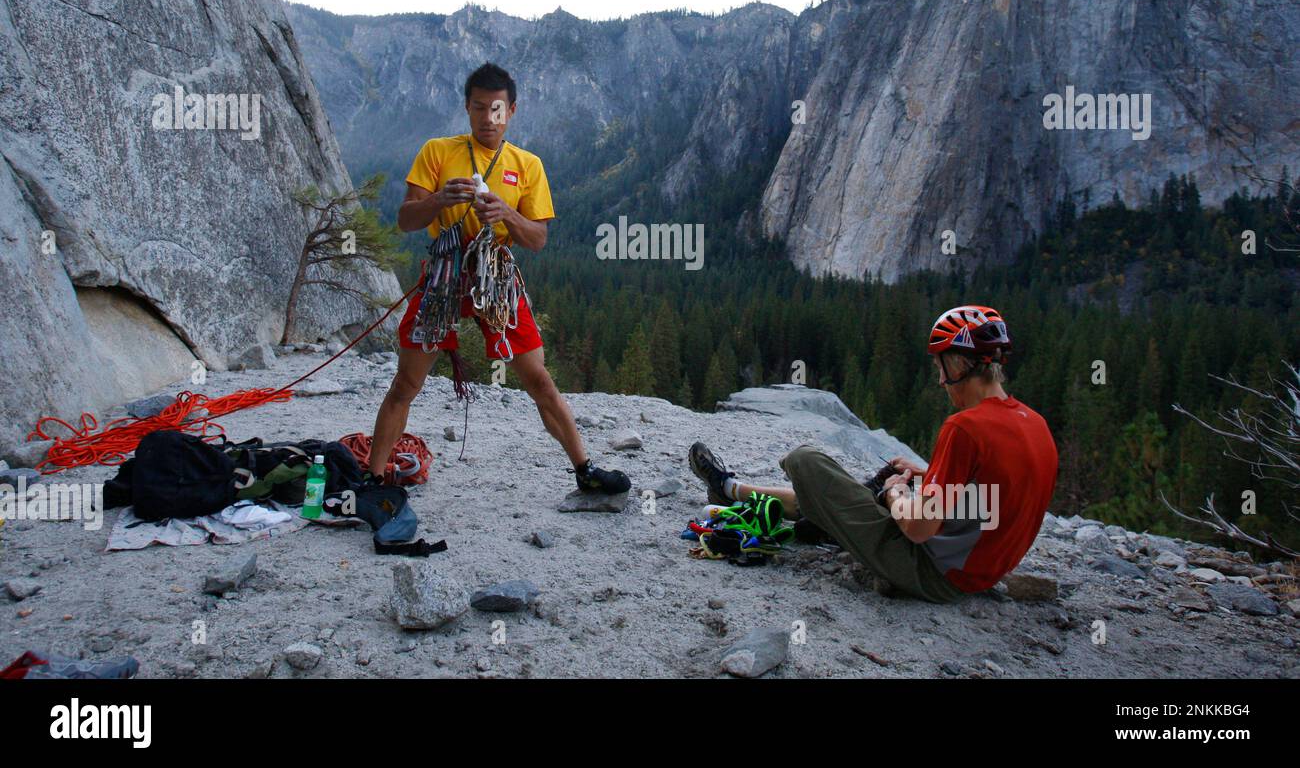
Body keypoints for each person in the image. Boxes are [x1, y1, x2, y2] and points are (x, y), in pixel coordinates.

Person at [368, 62, 630, 495]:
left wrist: (506, 213)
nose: (488, 118)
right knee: (406, 383)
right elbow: (405, 220)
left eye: (496, 109)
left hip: (496, 277)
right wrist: (438, 200)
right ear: (467, 109)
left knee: (538, 380)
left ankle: (585, 469)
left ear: (511, 111)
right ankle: (374, 478)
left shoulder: (527, 165)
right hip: (444, 276)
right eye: (478, 108)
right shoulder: (437, 151)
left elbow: (538, 238)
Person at [688, 305, 1058, 602]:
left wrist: (895, 493)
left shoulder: (965, 428)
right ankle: (732, 488)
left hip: (934, 573)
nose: (941, 381)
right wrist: (930, 476)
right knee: (844, 498)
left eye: (940, 368)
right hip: (979, 568)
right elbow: (994, 500)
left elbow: (916, 529)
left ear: (959, 364)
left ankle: (737, 490)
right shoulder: (1035, 424)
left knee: (805, 462)